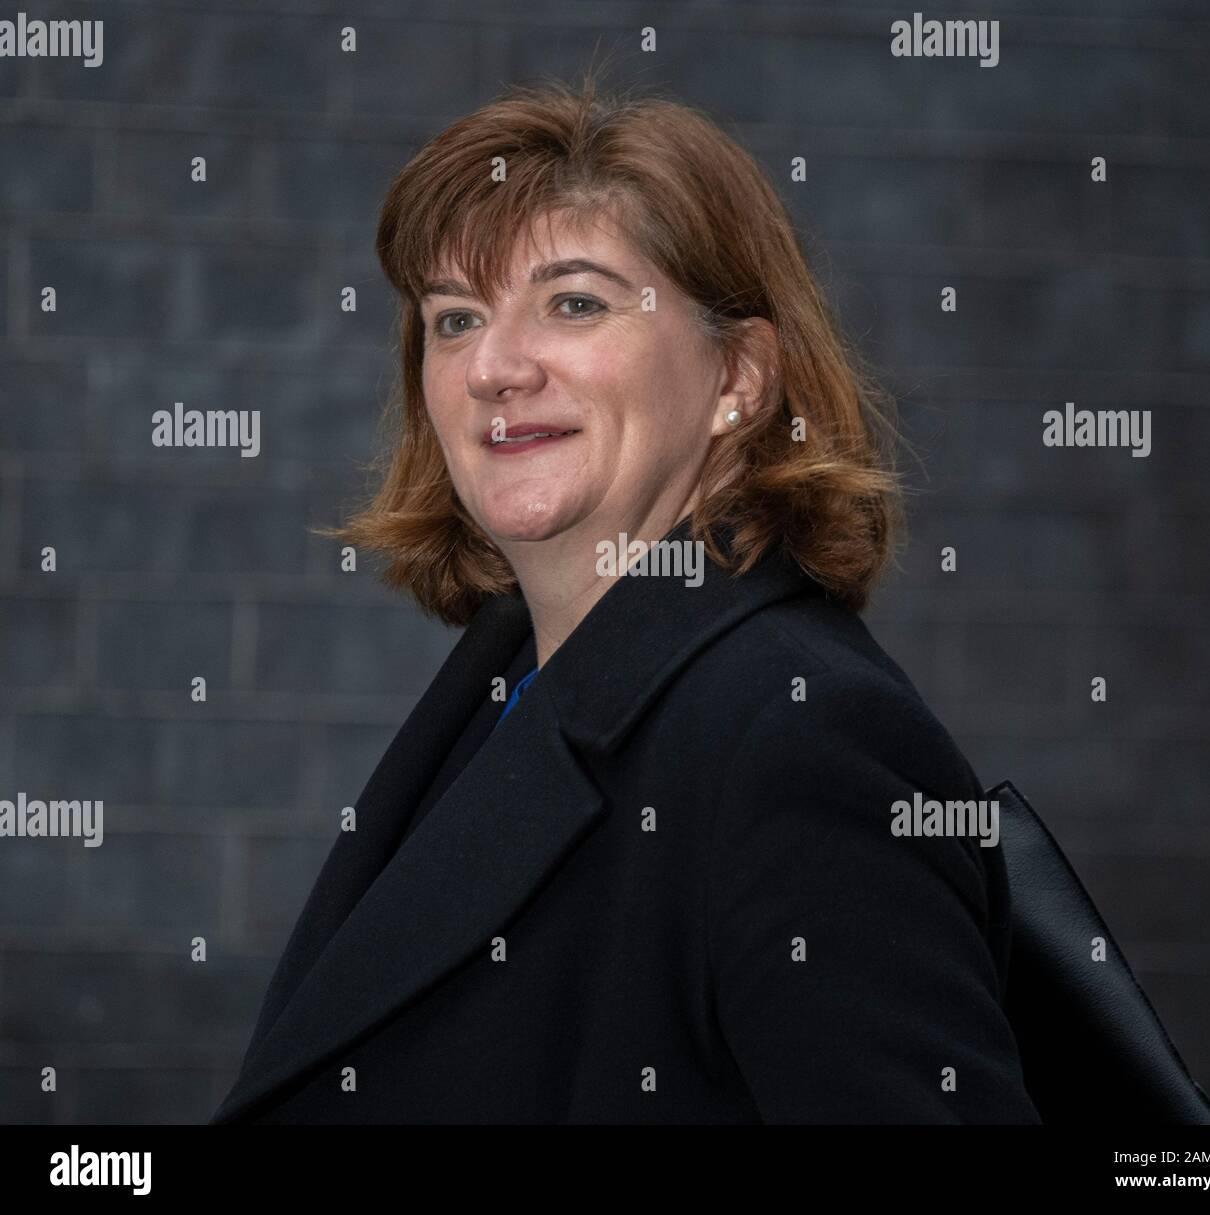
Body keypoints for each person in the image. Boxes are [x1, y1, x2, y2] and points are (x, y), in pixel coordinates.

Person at [210, 73, 1041, 1125]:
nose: (495, 368)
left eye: (575, 302)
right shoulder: (509, 683)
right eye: (456, 319)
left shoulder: (799, 737)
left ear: (739, 376)